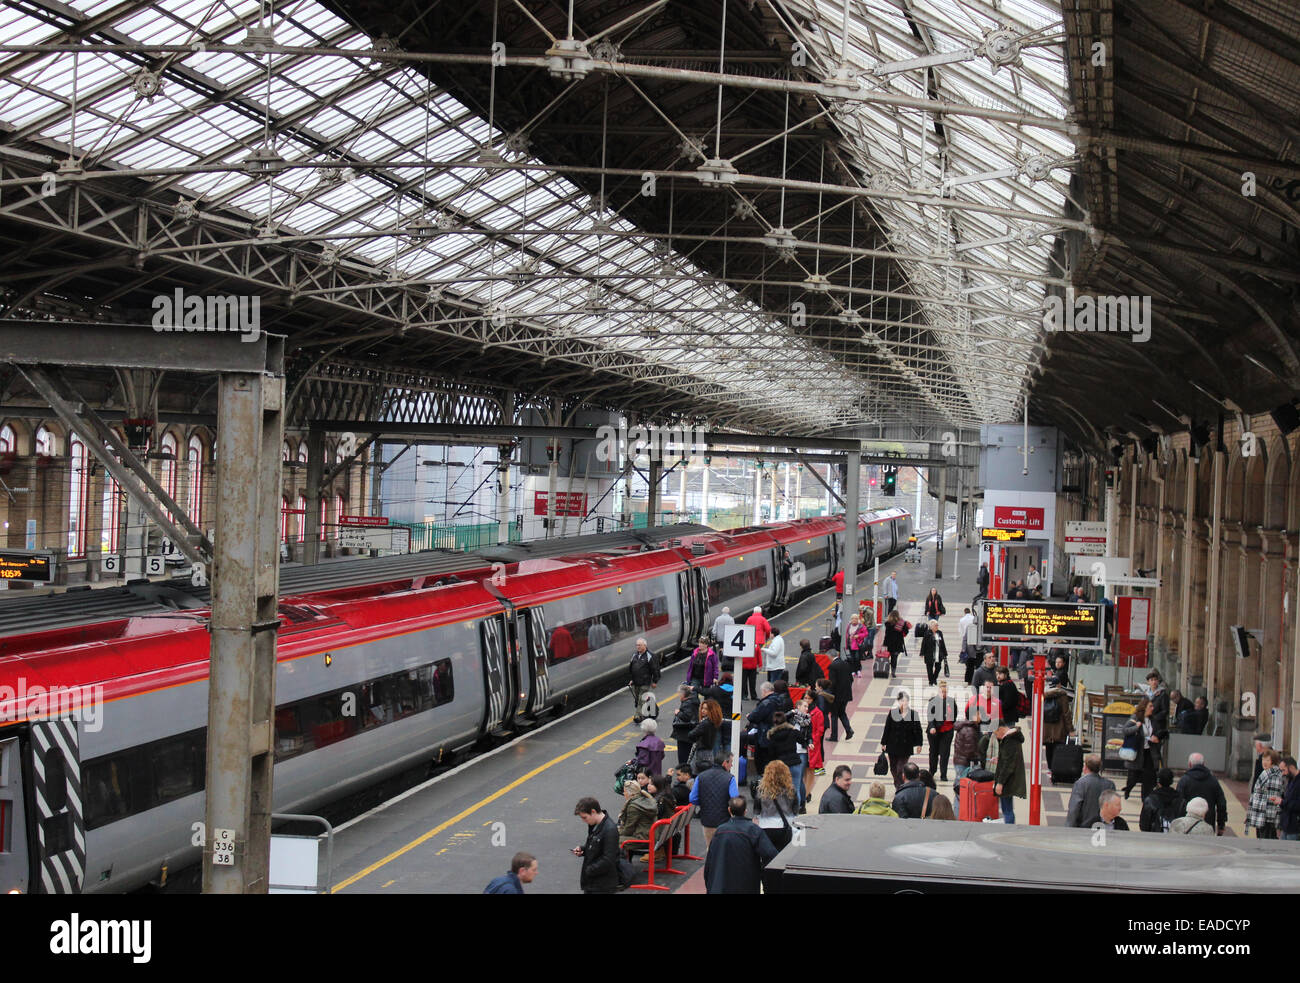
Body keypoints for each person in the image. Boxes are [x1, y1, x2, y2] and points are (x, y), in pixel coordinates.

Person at [703, 797, 779, 894]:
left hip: (721, 886)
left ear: (729, 810)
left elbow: (709, 862)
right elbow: (771, 854)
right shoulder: (753, 830)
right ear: (745, 811)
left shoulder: (720, 831)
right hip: (746, 884)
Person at [689, 751, 739, 849]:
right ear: (725, 763)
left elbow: (692, 798)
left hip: (707, 819)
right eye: (731, 762)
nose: (731, 765)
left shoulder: (701, 777)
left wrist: (704, 803)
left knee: (710, 848)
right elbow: (735, 800)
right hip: (724, 820)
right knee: (724, 850)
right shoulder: (730, 778)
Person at [980, 720, 1027, 824]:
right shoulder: (1012, 738)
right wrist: (999, 758)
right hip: (1010, 778)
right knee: (1007, 808)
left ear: (1000, 729)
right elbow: (1009, 759)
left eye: (996, 733)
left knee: (1007, 809)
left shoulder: (1010, 740)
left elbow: (1008, 765)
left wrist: (1000, 783)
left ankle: (1008, 828)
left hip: (1007, 780)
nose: (996, 736)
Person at [573, 797, 619, 894]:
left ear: (593, 811)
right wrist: (583, 849)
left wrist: (589, 870)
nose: (583, 821)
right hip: (594, 881)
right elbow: (596, 846)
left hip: (603, 884)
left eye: (584, 817)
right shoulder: (595, 825)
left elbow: (609, 858)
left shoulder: (610, 829)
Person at [1176, 752, 1228, 835]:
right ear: (1204, 764)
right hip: (1208, 822)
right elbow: (1221, 803)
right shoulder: (1213, 781)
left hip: (1186, 824)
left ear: (1189, 764)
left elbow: (1177, 802)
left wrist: (1178, 821)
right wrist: (1221, 824)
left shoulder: (1184, 781)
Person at [881, 691, 923, 789]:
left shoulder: (913, 714)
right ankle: (898, 784)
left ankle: (900, 787)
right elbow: (887, 728)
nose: (904, 703)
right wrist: (883, 742)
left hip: (906, 746)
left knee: (900, 768)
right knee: (893, 768)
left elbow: (918, 730)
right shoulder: (892, 713)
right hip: (893, 745)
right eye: (902, 700)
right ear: (898, 701)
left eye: (906, 701)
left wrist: (919, 744)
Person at [754, 760, 798, 852]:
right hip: (786, 827)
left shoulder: (762, 790)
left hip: (766, 826)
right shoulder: (791, 789)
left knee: (768, 856)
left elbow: (757, 809)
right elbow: (795, 811)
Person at [1120, 697, 1158, 802]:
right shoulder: (1136, 718)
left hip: (1148, 752)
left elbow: (1154, 732)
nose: (1152, 708)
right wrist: (1136, 727)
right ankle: (1128, 789)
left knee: (1148, 776)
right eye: (1150, 706)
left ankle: (1145, 798)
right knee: (1134, 776)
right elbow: (1125, 730)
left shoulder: (1152, 720)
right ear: (1144, 707)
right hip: (1138, 752)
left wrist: (1155, 738)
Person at [1065, 754, 1116, 828]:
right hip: (1103, 827)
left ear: (1085, 767)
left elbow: (1074, 809)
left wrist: (1069, 828)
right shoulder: (1110, 784)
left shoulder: (1081, 784)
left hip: (1084, 827)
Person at [1042, 661, 1073, 773]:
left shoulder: (1043, 695)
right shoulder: (1062, 695)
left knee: (1049, 748)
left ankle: (1050, 768)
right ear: (1059, 684)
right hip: (1059, 728)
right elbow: (1066, 713)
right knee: (1057, 749)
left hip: (1046, 728)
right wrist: (1071, 730)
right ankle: (1055, 768)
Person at [1247, 748, 1285, 839]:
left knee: (1266, 841)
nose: (1264, 762)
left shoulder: (1274, 775)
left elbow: (1271, 797)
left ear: (1273, 761)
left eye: (1268, 760)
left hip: (1267, 817)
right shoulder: (1266, 773)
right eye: (1264, 759)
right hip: (1261, 814)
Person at [616, 777, 659, 857]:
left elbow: (628, 829)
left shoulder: (634, 807)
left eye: (625, 791)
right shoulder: (644, 800)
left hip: (642, 838)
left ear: (631, 794)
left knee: (612, 840)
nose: (623, 793)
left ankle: (620, 866)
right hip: (650, 835)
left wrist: (616, 832)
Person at [926, 679, 957, 781]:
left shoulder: (951, 701)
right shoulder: (932, 701)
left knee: (945, 753)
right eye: (941, 691)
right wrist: (932, 727)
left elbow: (954, 715)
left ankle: (943, 774)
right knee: (933, 752)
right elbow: (930, 717)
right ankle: (932, 771)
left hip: (947, 731)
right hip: (934, 732)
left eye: (945, 692)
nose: (943, 693)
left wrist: (949, 723)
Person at [742, 606, 772, 701]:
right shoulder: (763, 619)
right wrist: (766, 637)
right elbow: (768, 629)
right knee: (757, 653)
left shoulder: (750, 618)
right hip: (759, 641)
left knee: (744, 677)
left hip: (750, 640)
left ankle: (745, 694)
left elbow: (745, 628)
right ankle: (756, 667)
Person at [825, 648, 855, 742]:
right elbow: (851, 679)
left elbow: (832, 683)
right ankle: (848, 730)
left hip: (836, 695)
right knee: (842, 712)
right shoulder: (845, 664)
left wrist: (829, 693)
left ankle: (834, 736)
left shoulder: (833, 666)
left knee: (834, 715)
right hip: (846, 694)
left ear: (830, 656)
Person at [628, 637, 660, 723]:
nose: (637, 647)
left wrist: (655, 681)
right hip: (636, 682)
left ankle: (638, 716)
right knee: (638, 700)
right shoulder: (634, 655)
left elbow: (655, 669)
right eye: (637, 645)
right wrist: (632, 679)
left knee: (641, 699)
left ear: (644, 646)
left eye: (639, 645)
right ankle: (652, 705)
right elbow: (631, 668)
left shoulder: (650, 656)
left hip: (645, 682)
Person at [687, 698, 723, 772]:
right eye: (702, 708)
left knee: (696, 775)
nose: (703, 710)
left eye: (706, 709)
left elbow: (691, 734)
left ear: (712, 710)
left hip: (702, 754)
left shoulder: (705, 723)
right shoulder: (714, 722)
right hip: (709, 753)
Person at [1139, 768, 1180, 833]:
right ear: (1171, 781)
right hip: (1175, 838)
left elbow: (1144, 825)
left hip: (1155, 838)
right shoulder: (1180, 800)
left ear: (1158, 782)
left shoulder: (1150, 800)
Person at [671, 684, 701, 767]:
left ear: (683, 694)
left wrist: (678, 713)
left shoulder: (687, 703)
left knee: (683, 757)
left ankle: (683, 772)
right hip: (690, 732)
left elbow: (687, 717)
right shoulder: (693, 701)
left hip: (684, 734)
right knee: (688, 756)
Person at [1145, 671, 1170, 766]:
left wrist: (1154, 718)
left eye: (1155, 680)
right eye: (1151, 680)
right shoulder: (1146, 694)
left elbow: (1165, 711)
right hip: (1147, 725)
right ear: (1148, 682)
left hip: (1157, 727)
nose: (1154, 682)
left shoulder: (1162, 694)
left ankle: (1157, 770)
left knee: (1155, 750)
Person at [952, 714, 982, 781]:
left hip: (959, 759)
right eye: (979, 714)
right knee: (962, 784)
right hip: (965, 761)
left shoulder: (966, 726)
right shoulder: (969, 730)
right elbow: (970, 749)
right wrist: (978, 757)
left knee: (959, 781)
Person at [920, 619, 950, 686]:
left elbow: (942, 643)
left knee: (938, 668)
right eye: (936, 625)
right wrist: (922, 653)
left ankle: (934, 678)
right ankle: (931, 681)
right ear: (931, 626)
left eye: (937, 625)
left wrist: (945, 653)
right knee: (929, 669)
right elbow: (923, 643)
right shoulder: (927, 633)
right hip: (929, 654)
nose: (937, 626)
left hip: (938, 654)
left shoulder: (939, 633)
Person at [808, 686, 827, 784]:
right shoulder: (808, 710)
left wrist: (815, 739)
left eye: (808, 698)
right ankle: (819, 768)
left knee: (814, 754)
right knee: (816, 754)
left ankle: (817, 768)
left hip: (814, 738)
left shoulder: (817, 713)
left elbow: (820, 729)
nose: (806, 700)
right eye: (805, 698)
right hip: (811, 738)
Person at [1279, 756, 1300, 841]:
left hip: (1295, 827)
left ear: (1291, 767)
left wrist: (1282, 802)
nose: (1282, 773)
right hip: (1286, 825)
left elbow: (1298, 805)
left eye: (1284, 770)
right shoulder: (1291, 780)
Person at [883, 609, 908, 678]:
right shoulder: (902, 622)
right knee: (895, 658)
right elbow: (906, 632)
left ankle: (886, 668)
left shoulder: (888, 623)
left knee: (888, 657)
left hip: (889, 643)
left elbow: (886, 634)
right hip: (898, 643)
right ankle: (893, 672)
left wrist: (884, 644)